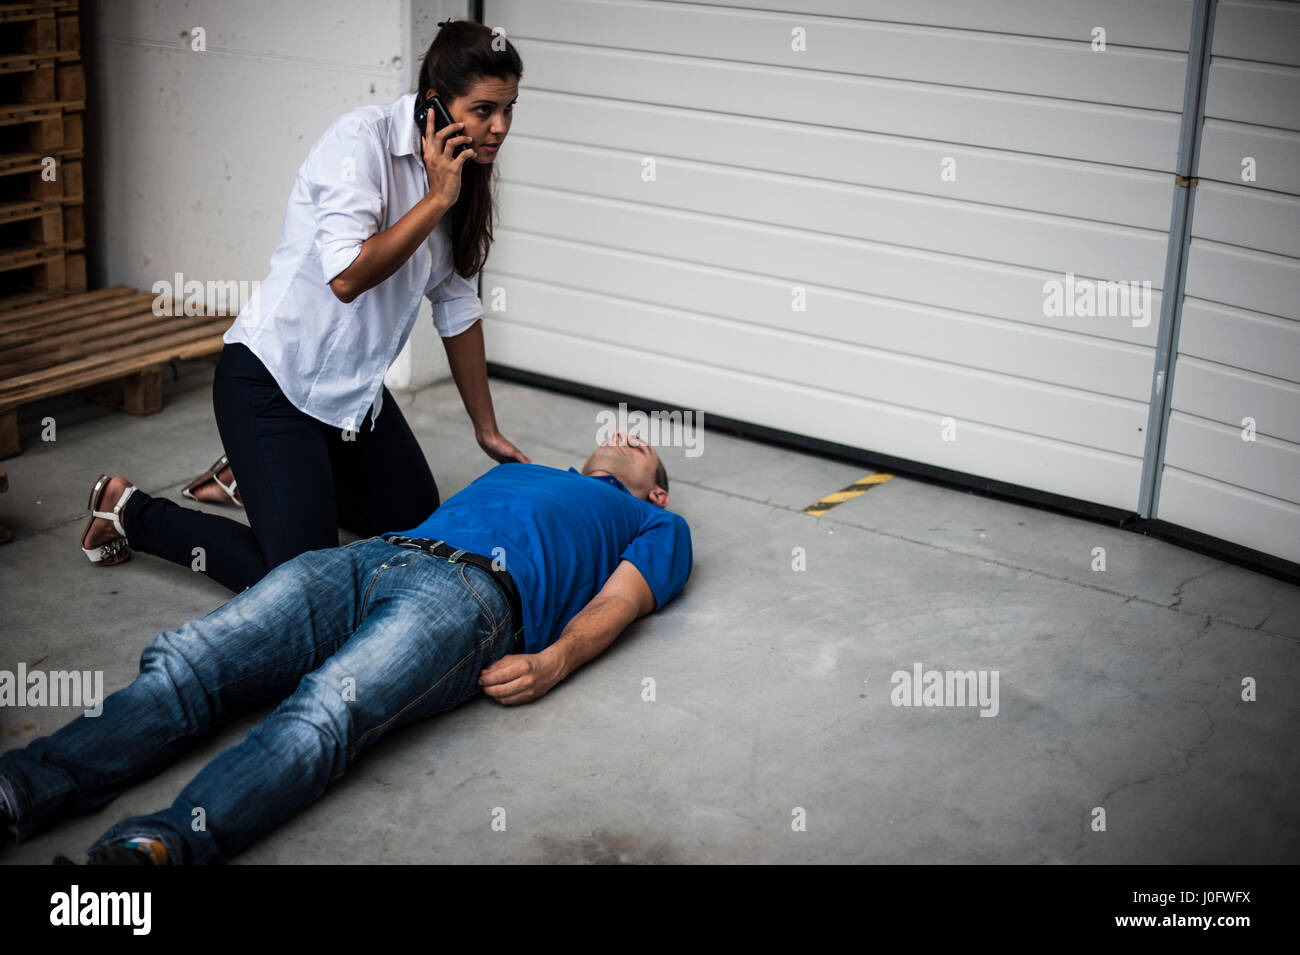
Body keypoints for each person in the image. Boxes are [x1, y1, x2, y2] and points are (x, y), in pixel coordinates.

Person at [0, 431, 691, 864]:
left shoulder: (656, 522)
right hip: (370, 557)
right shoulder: (534, 471)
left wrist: (555, 659)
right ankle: (19, 788)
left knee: (325, 712)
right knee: (189, 658)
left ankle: (158, 848)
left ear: (655, 489)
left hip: (468, 598)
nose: (626, 433)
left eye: (643, 445)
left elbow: (617, 602)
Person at [77, 19, 529, 594]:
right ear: (435, 106)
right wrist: (438, 198)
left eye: (510, 109)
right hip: (270, 381)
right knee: (302, 580)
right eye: (485, 109)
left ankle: (254, 478)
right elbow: (346, 278)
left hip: (348, 400)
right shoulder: (358, 143)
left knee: (415, 521)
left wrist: (485, 428)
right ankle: (128, 512)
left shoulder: (463, 176)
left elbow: (457, 306)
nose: (500, 128)